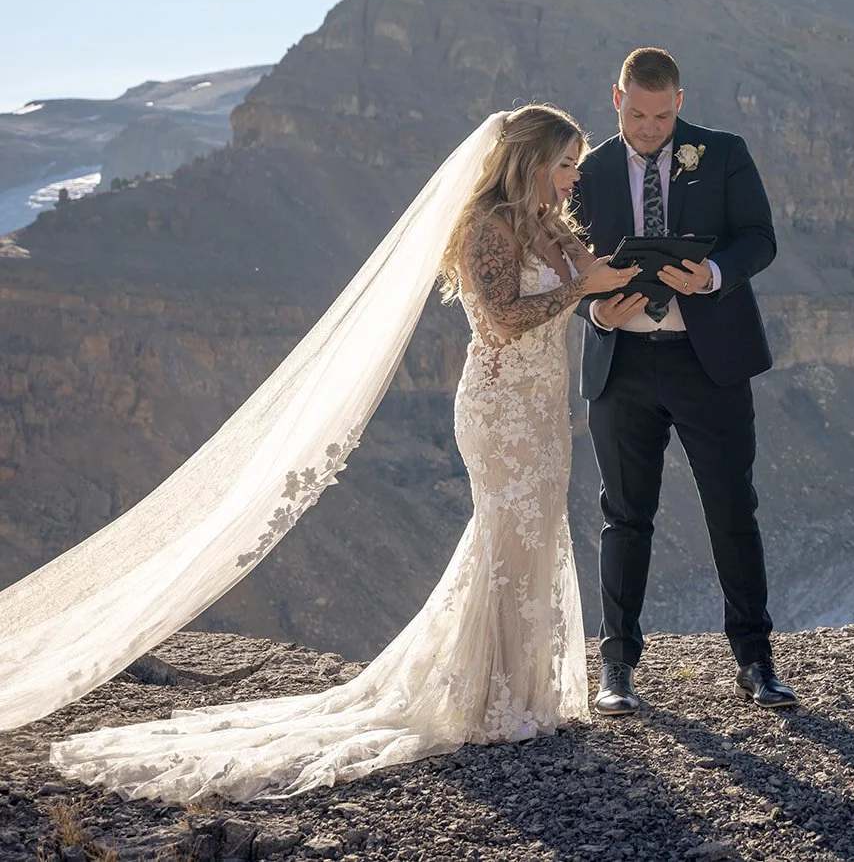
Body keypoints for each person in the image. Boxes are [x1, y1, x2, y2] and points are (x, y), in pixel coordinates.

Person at [3, 104, 639, 802]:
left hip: (545, 411)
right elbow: (503, 317)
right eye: (565, 163)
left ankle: (521, 691)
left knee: (535, 534)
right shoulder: (487, 226)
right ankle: (494, 698)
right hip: (500, 411)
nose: (574, 176)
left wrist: (609, 295)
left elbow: (584, 292)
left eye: (575, 164)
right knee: (507, 534)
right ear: (529, 161)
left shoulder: (550, 224)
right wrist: (582, 288)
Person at [573, 47, 797, 715]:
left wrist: (713, 275)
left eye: (662, 117)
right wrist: (596, 312)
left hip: (710, 362)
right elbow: (565, 267)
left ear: (680, 102)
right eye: (637, 115)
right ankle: (617, 667)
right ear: (617, 99)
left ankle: (756, 663)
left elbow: (759, 237)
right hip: (622, 363)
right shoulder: (588, 170)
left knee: (732, 508)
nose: (649, 129)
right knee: (624, 515)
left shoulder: (724, 153)